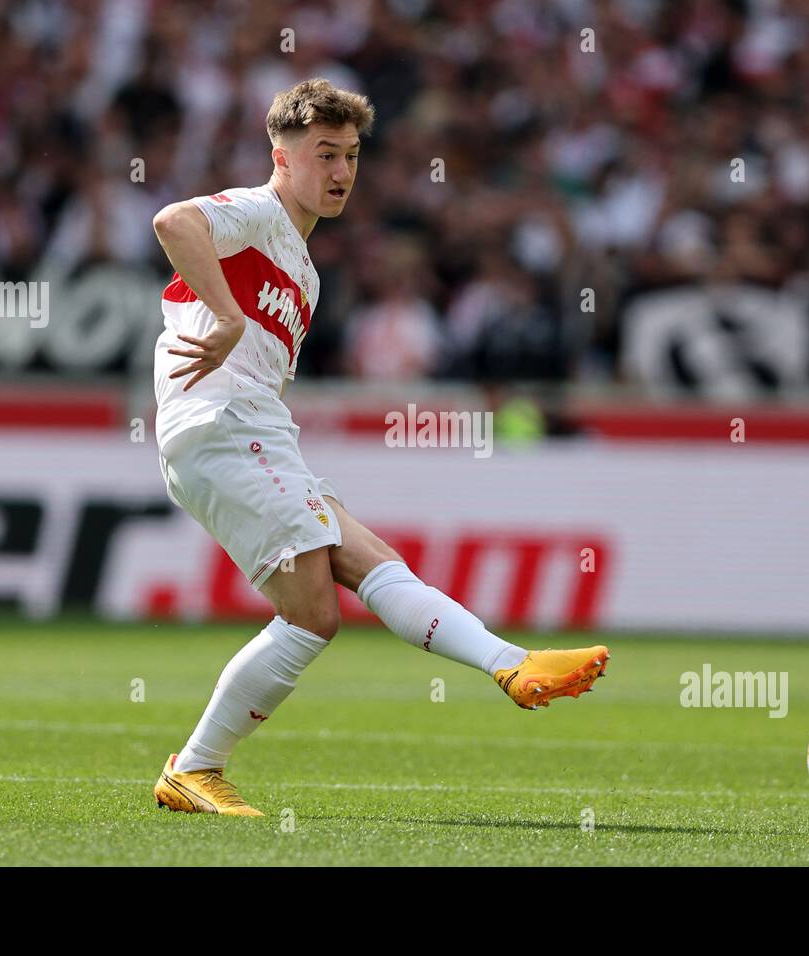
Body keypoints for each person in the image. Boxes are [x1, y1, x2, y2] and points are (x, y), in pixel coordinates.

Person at [149, 78, 609, 816]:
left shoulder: (305, 271)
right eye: (324, 154)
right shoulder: (260, 211)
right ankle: (195, 768)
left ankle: (512, 665)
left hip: (255, 430)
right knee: (311, 617)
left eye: (352, 156)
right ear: (283, 156)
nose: (340, 172)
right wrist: (228, 319)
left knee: (372, 563)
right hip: (223, 424)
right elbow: (173, 220)